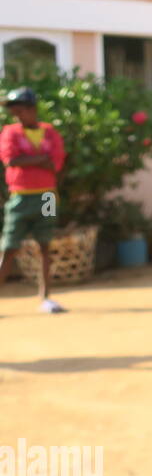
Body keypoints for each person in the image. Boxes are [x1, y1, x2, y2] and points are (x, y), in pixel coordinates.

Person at [0, 86, 68, 313]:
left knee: (45, 245)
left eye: (20, 110)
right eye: (15, 112)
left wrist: (28, 159)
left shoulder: (49, 132)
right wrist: (41, 159)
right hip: (20, 197)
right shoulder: (10, 132)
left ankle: (46, 298)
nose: (17, 115)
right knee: (9, 248)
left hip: (47, 196)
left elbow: (56, 162)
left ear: (32, 109)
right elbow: (10, 160)